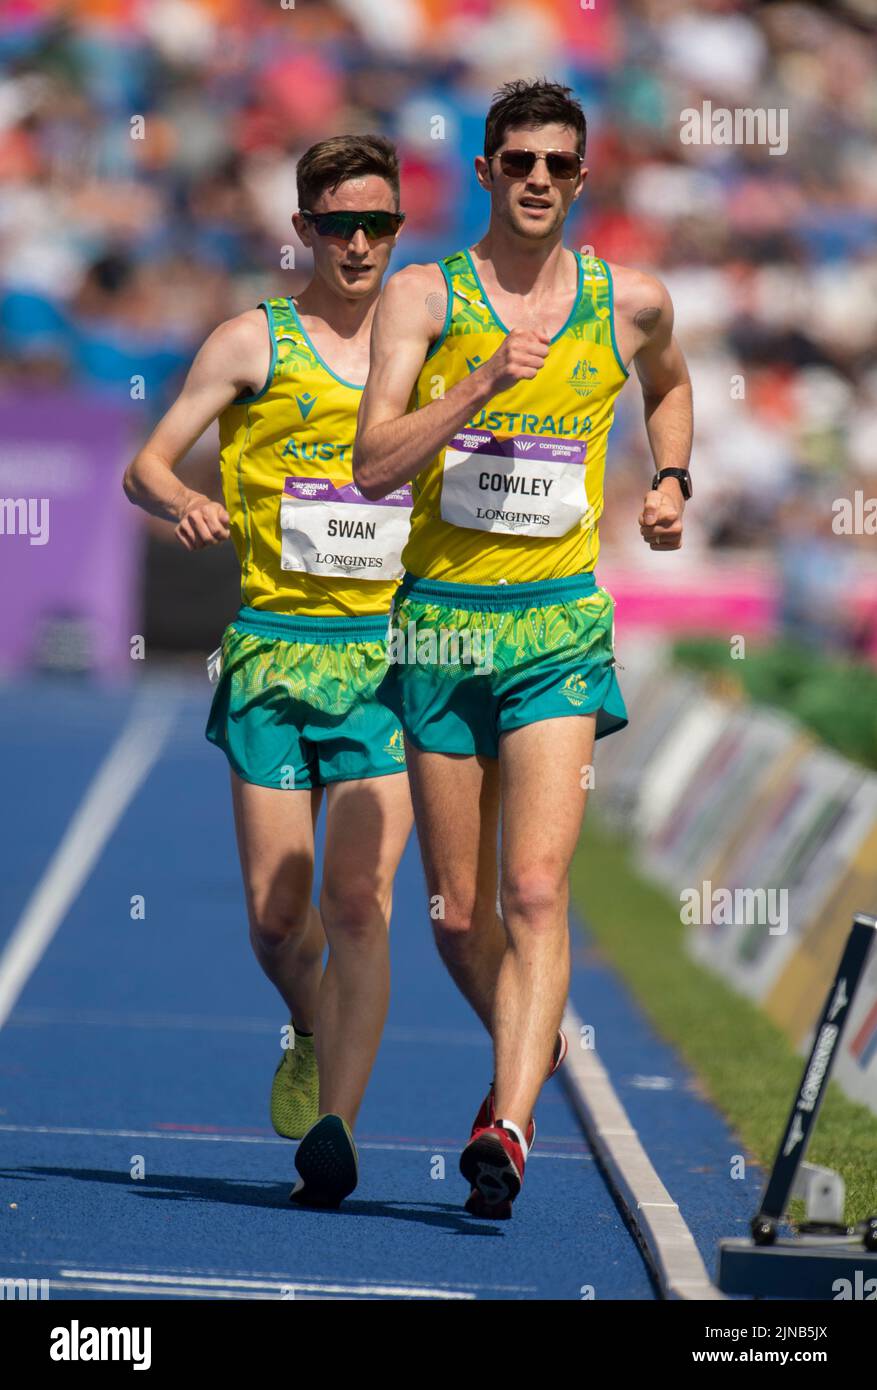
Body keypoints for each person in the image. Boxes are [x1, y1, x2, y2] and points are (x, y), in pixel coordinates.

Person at [353, 81, 693, 1218]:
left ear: (581, 176)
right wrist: (480, 383)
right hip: (441, 625)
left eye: (557, 161)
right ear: (486, 172)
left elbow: (673, 384)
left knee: (536, 888)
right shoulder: (420, 298)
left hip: (555, 625)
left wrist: (673, 479)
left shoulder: (628, 299)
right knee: (456, 911)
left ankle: (507, 1117)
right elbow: (371, 465)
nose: (537, 177)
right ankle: (530, 1034)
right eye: (517, 160)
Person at [123, 135, 413, 1208]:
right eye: (339, 224)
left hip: (387, 660)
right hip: (272, 655)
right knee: (278, 920)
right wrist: (181, 496)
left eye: (377, 225)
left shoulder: (419, 346)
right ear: (303, 232)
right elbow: (146, 461)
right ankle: (306, 1020)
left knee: (360, 902)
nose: (358, 243)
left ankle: (336, 1131)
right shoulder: (251, 342)